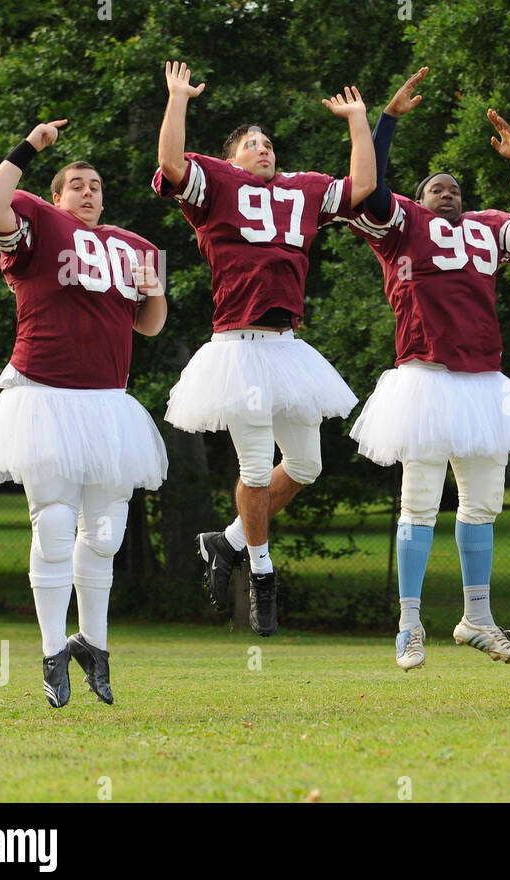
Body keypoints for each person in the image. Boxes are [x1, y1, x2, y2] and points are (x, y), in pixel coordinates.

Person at [154, 61, 374, 637]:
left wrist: (359, 122)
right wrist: (177, 99)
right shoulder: (216, 184)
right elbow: (172, 163)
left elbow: (364, 188)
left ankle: (223, 541)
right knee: (253, 466)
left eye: (268, 143)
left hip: (287, 347)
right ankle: (261, 571)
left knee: (307, 465)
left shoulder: (301, 190)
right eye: (252, 145)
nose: (264, 149)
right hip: (238, 346)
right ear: (232, 160)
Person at [347, 67, 510, 670]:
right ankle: (410, 623)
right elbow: (371, 187)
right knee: (418, 501)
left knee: (483, 502)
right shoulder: (401, 225)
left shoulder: (487, 229)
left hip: (483, 379)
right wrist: (387, 121)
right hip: (426, 377)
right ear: (419, 196)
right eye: (436, 186)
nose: (448, 191)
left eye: (455, 186)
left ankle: (477, 618)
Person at [0, 119, 169, 708]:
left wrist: (152, 289)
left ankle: (96, 645)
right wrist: (31, 147)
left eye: (96, 184)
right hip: (45, 393)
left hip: (108, 401)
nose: (88, 192)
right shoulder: (40, 221)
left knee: (105, 535)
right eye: (76, 184)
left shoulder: (135, 246)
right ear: (57, 196)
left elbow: (151, 325)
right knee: (55, 525)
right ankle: (52, 649)